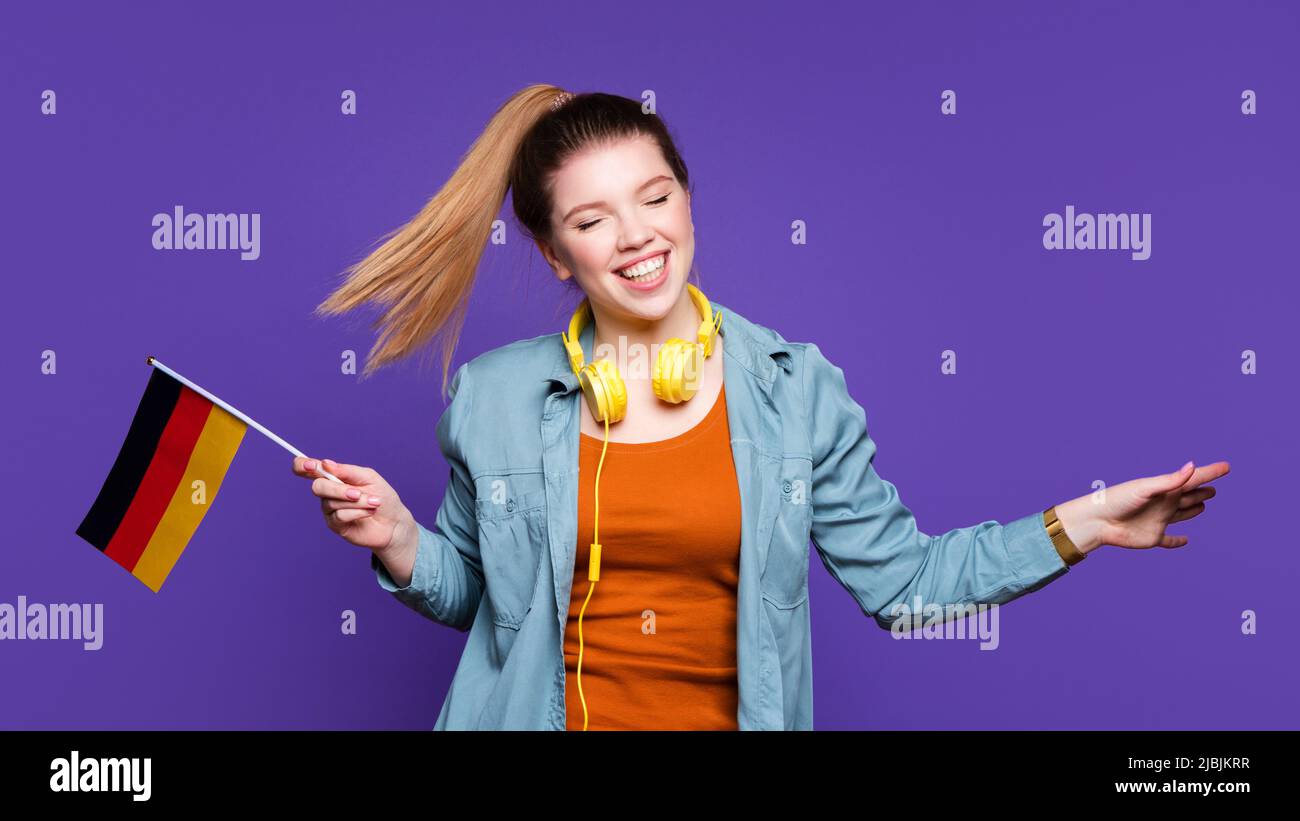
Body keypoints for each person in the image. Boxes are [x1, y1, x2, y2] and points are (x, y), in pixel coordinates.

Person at [290, 85, 1230, 730]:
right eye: (591, 220)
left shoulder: (795, 388)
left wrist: (1084, 524)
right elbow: (479, 602)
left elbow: (906, 590)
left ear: (687, 198)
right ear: (553, 253)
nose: (635, 236)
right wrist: (397, 536)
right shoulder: (493, 395)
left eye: (654, 196)